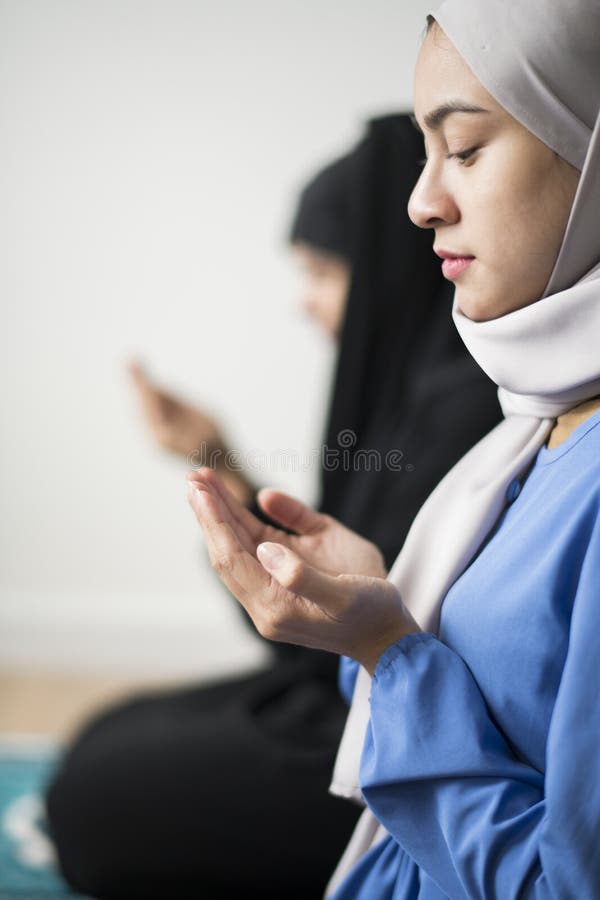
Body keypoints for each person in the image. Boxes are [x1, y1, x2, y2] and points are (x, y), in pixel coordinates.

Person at [186, 2, 600, 898]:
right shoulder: (535, 421)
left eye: (467, 147)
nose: (423, 202)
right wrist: (375, 600)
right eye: (425, 151)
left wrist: (387, 651)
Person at [46, 115, 501, 899]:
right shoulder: (420, 391)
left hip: (399, 739)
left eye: (323, 272)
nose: (306, 303)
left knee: (92, 795)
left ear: (390, 269)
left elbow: (332, 641)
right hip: (344, 696)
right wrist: (213, 456)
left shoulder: (472, 408)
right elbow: (312, 630)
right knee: (105, 738)